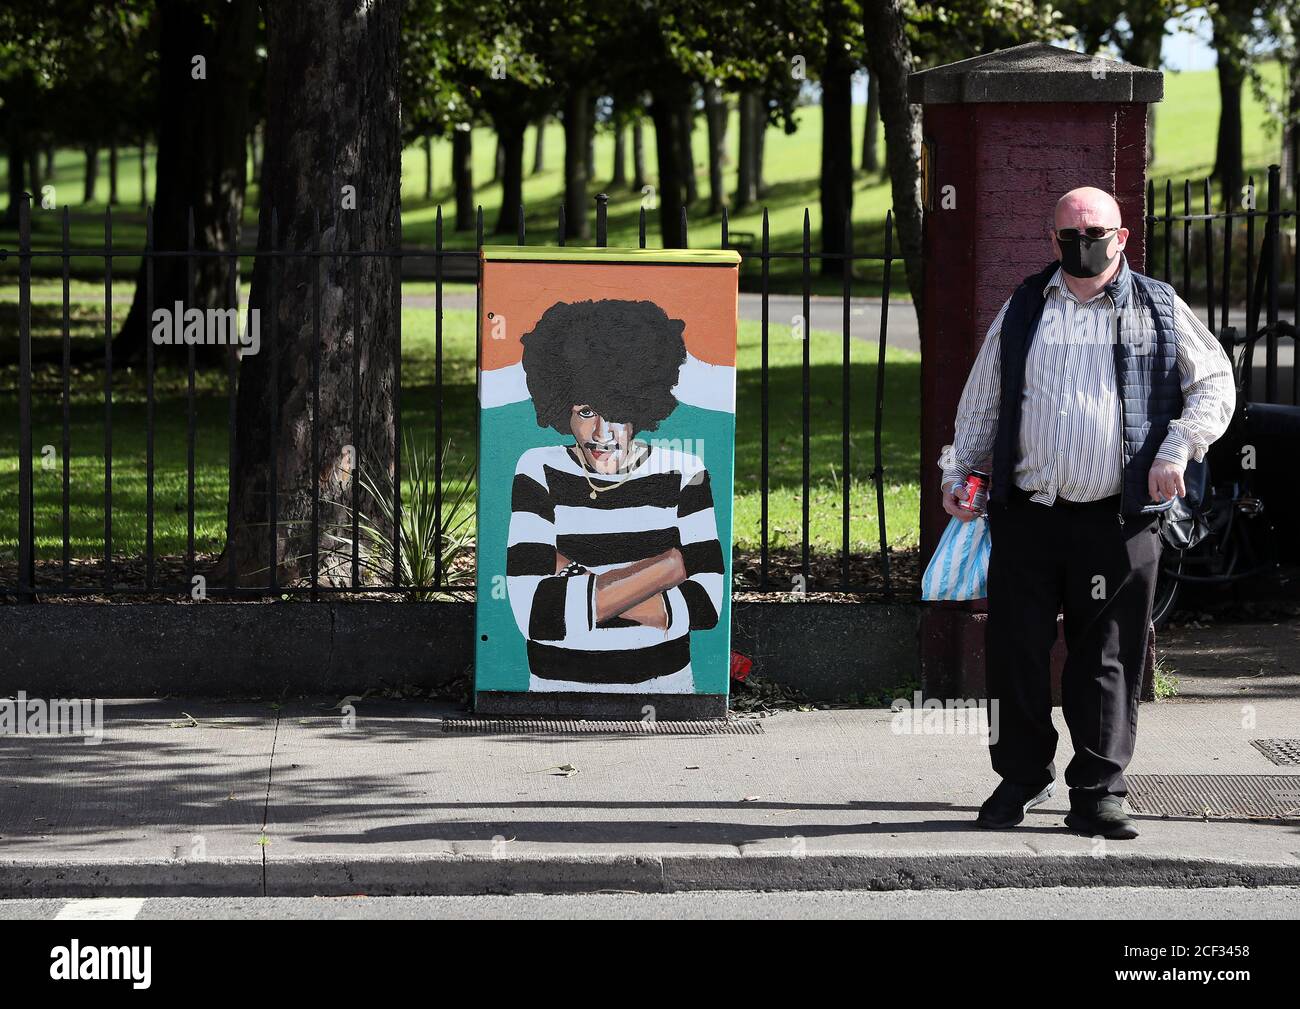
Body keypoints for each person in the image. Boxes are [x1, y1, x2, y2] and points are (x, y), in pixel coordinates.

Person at [941, 187, 1235, 839]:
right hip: (1029, 513)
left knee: (1107, 652)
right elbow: (984, 398)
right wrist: (961, 471)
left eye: (1095, 230)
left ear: (1121, 237)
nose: (1083, 241)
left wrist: (1178, 445)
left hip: (1119, 516)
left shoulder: (1157, 305)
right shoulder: (1024, 307)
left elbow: (1215, 381)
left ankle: (1099, 787)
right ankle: (1021, 773)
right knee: (1015, 645)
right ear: (1052, 241)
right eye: (1069, 233)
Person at [506, 299, 725, 693]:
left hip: (667, 692)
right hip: (556, 693)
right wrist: (668, 568)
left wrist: (573, 577)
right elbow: (537, 613)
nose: (602, 433)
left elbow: (707, 605)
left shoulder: (685, 473)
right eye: (587, 412)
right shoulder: (538, 470)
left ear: (641, 408)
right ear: (563, 410)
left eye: (617, 413)